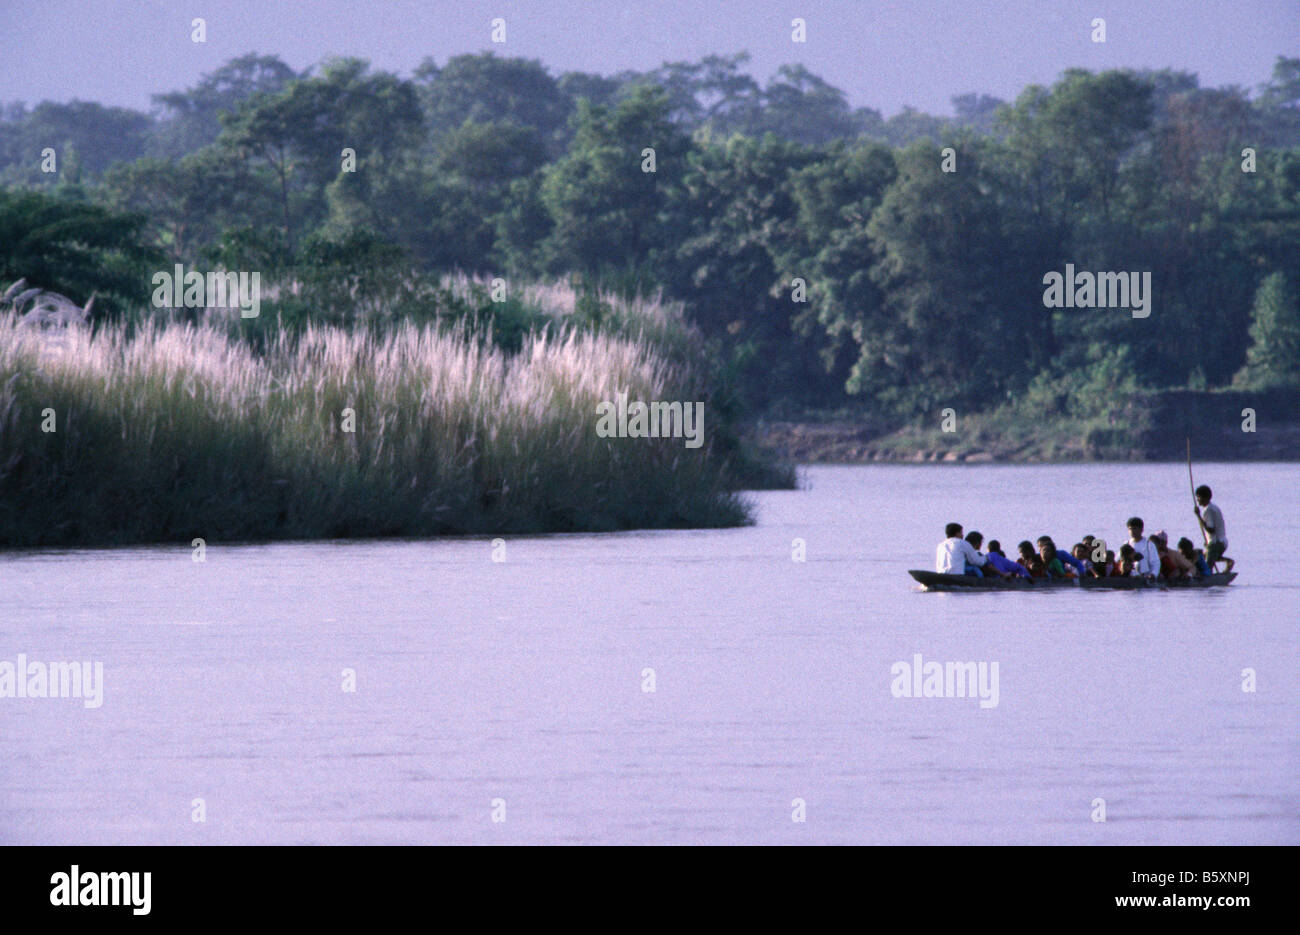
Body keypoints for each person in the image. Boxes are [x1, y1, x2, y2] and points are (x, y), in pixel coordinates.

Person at [1193, 485, 1234, 573]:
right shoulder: (1214, 507)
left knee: (1207, 568)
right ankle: (1228, 561)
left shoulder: (1208, 510)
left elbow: (1211, 529)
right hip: (1221, 541)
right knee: (1204, 559)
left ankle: (1209, 581)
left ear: (1205, 497)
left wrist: (1198, 516)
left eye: (1198, 497)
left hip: (1216, 543)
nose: (1197, 500)